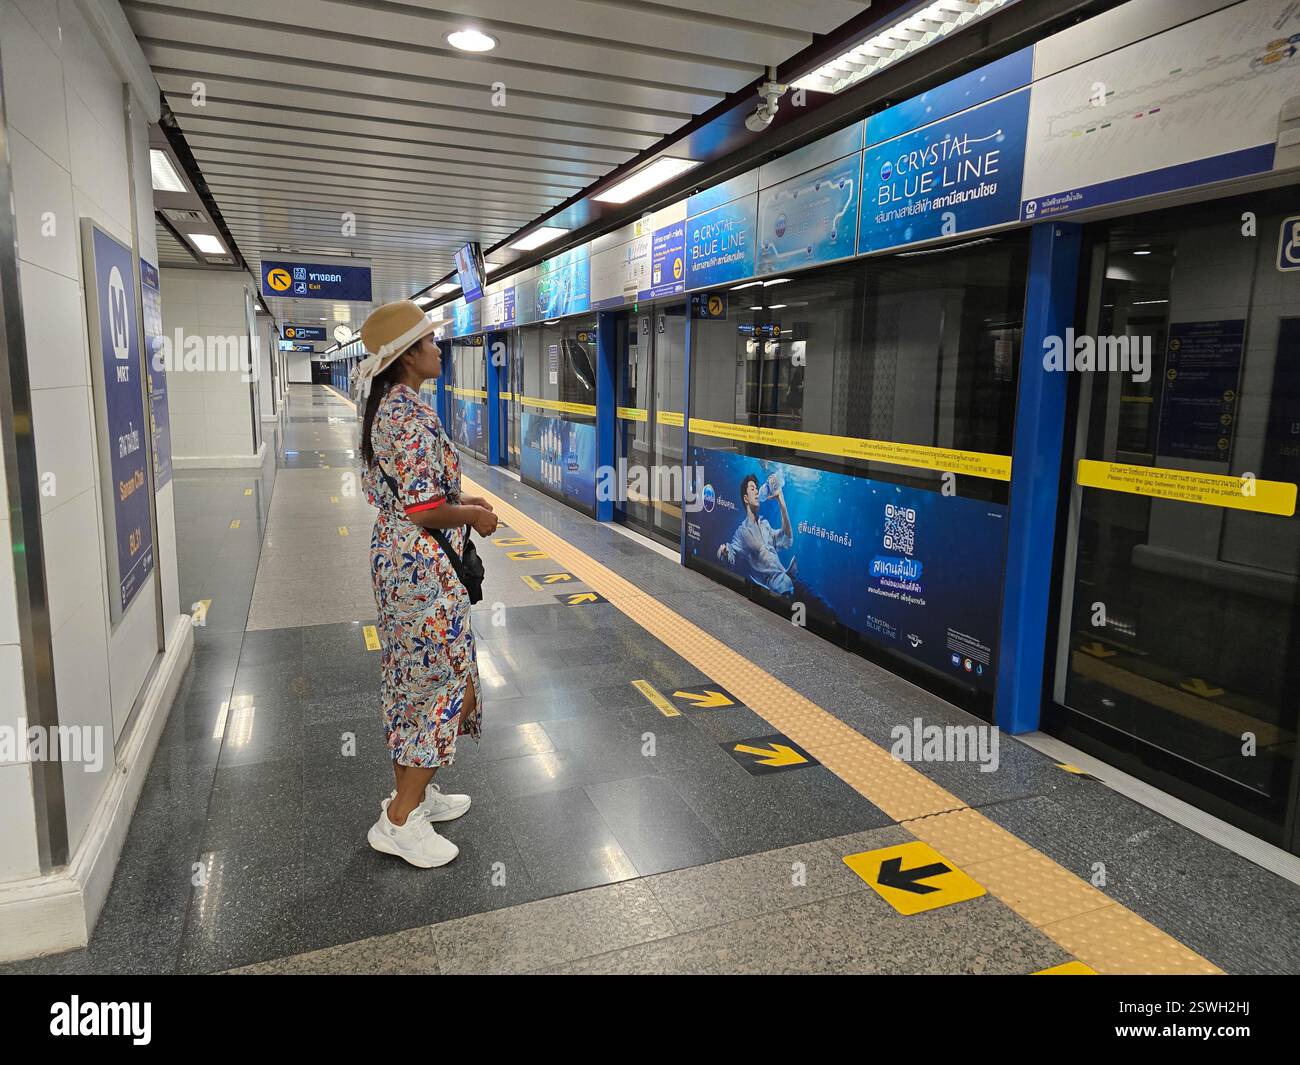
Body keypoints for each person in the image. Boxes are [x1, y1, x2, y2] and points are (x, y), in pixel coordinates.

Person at [356, 301, 499, 869]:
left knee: (413, 679)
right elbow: (421, 508)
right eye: (431, 342)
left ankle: (414, 797)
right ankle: (399, 820)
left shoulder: (391, 408)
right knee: (443, 684)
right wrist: (473, 517)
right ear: (409, 356)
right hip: (419, 568)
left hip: (403, 562)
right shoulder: (405, 416)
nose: (439, 349)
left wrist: (463, 502)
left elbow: (415, 497)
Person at [716, 470, 836, 621]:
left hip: (792, 580)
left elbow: (786, 540)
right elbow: (730, 555)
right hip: (779, 593)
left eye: (756, 488)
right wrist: (724, 551)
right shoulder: (742, 532)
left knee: (829, 612)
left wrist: (781, 501)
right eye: (752, 488)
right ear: (746, 498)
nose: (757, 491)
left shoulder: (765, 525)